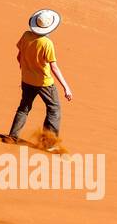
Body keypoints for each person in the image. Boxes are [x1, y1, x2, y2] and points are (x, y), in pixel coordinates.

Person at [4, 8, 72, 144]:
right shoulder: (47, 43)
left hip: (26, 80)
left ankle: (12, 136)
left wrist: (26, 68)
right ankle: (48, 142)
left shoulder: (26, 35)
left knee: (24, 108)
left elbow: (19, 56)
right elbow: (54, 67)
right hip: (44, 83)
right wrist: (66, 87)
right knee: (54, 109)